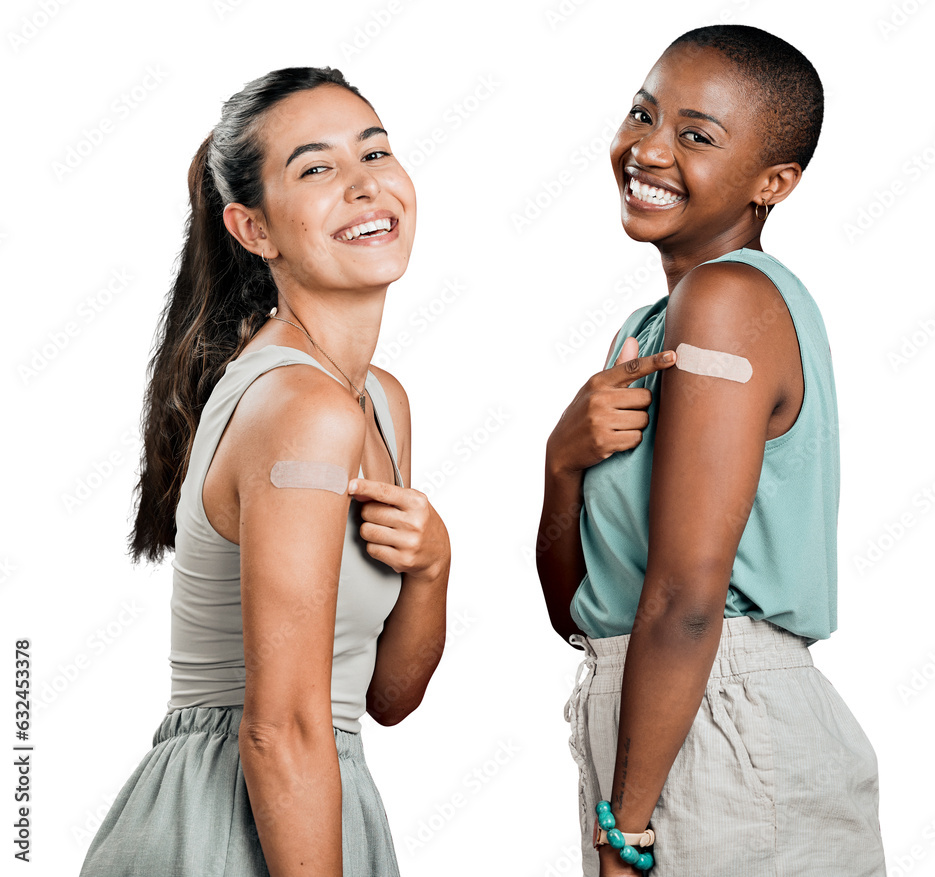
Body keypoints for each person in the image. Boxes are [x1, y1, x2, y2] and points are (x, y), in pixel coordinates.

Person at [79, 67, 450, 877]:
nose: (364, 185)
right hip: (231, 820)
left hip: (322, 797)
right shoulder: (300, 409)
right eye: (316, 168)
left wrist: (431, 569)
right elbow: (278, 727)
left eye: (375, 152)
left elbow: (379, 700)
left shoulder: (379, 402)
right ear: (254, 229)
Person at [536, 25, 886, 877]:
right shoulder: (646, 331)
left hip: (724, 729)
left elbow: (689, 597)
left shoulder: (729, 300)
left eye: (696, 134)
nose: (648, 149)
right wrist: (562, 463)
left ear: (775, 182)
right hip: (653, 716)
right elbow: (577, 612)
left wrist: (629, 829)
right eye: (642, 113)